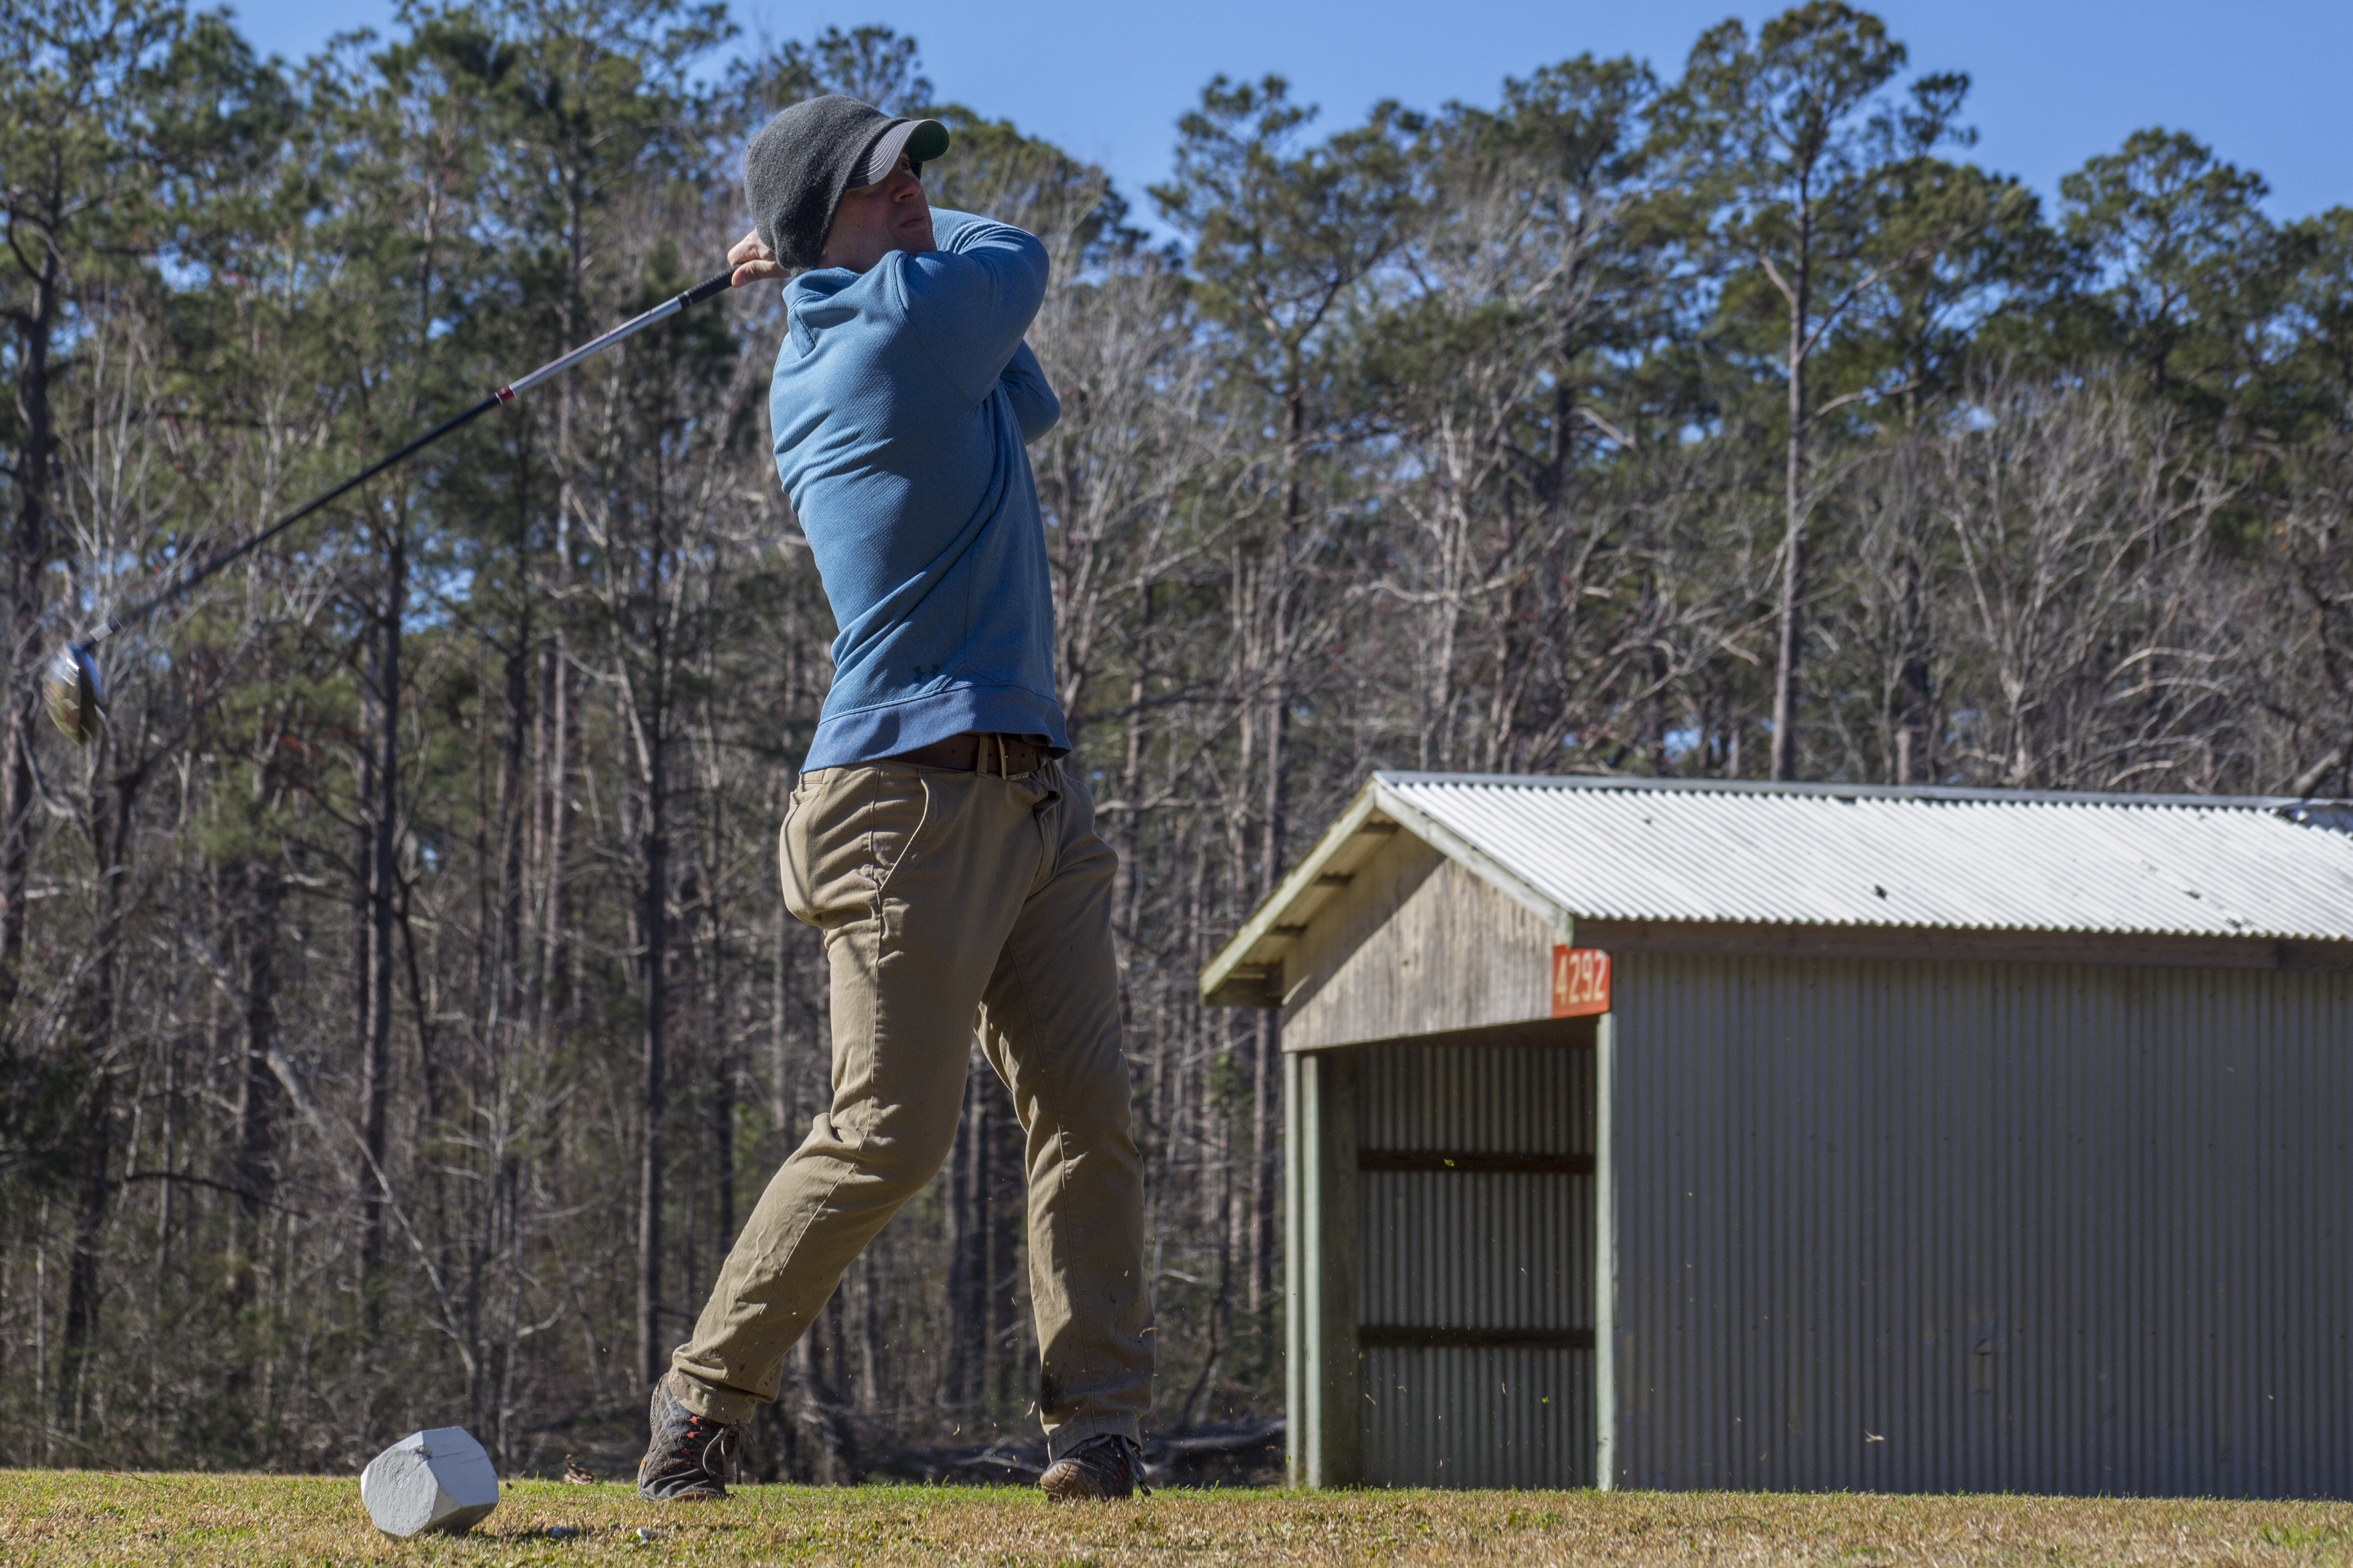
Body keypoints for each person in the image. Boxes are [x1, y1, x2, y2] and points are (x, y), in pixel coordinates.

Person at [632, 95, 1153, 1505]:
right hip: (902, 807)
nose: (916, 195)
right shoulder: (887, 336)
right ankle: (700, 1400)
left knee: (1084, 1116)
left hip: (1035, 784)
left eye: (916, 171)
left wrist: (816, 248)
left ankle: (1093, 1432)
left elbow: (1022, 383)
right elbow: (1025, 251)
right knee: (889, 1130)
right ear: (818, 230)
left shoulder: (896, 327)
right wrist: (811, 257)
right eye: (878, 187)